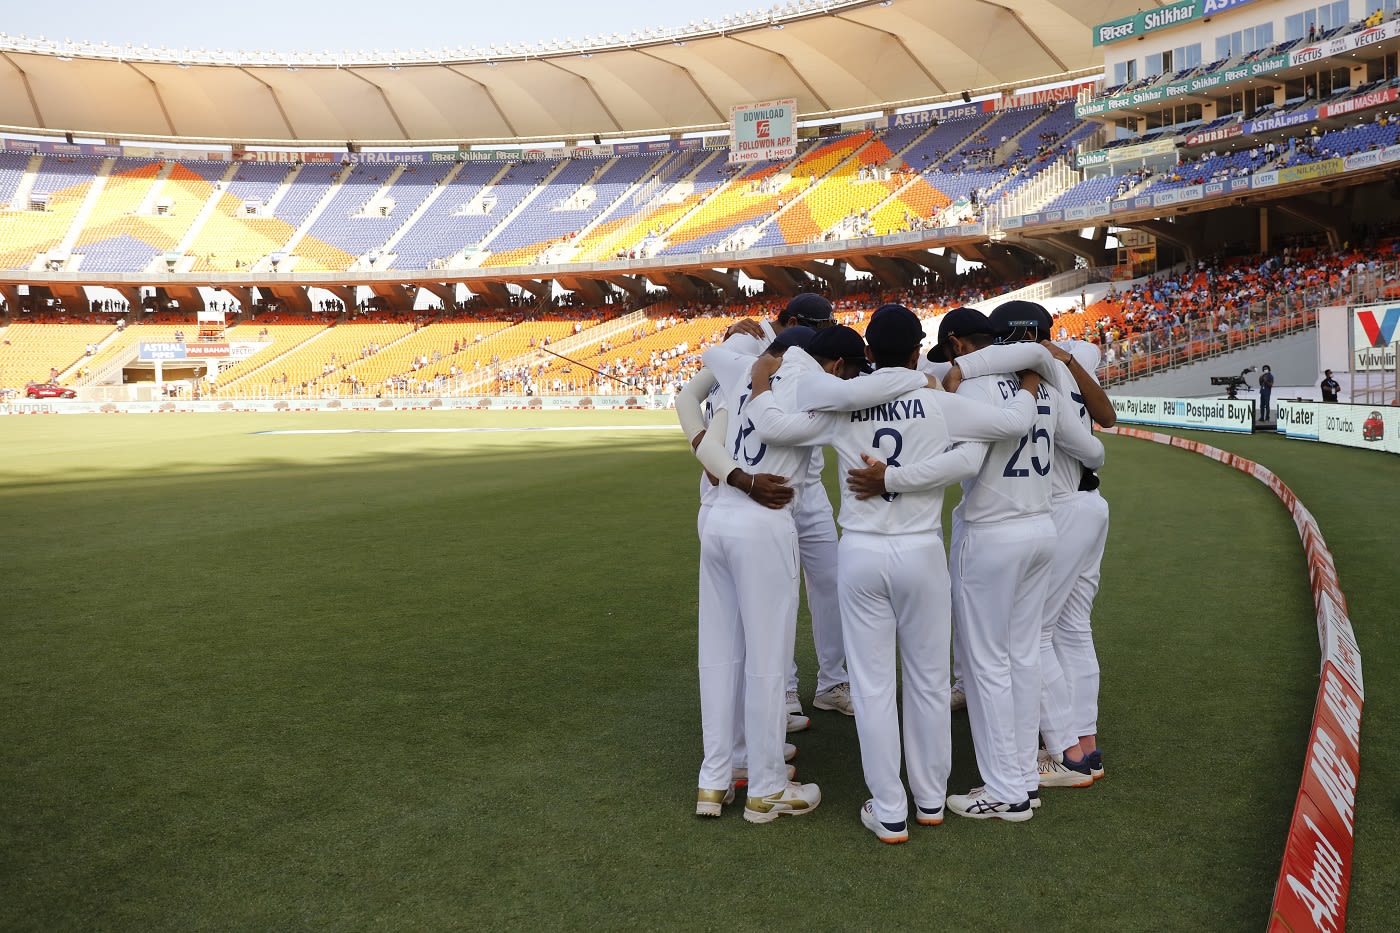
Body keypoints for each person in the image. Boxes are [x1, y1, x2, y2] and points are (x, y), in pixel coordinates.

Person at [744, 309, 1056, 840]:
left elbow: (773, 425)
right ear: (916, 351)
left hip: (862, 552)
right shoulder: (935, 399)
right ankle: (931, 800)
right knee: (930, 681)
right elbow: (1013, 425)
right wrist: (1030, 382)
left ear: (869, 352)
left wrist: (758, 386)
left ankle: (889, 808)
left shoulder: (845, 407)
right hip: (921, 551)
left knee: (871, 687)